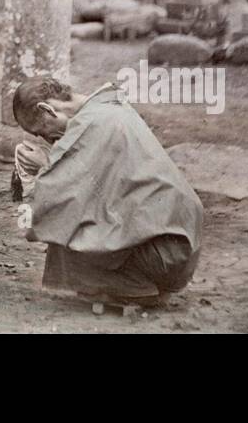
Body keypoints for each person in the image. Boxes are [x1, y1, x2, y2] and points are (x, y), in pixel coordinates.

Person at [12, 75, 203, 306]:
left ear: (47, 110)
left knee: (67, 228)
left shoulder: (91, 124)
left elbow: (59, 197)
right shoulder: (107, 106)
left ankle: (136, 289)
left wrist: (43, 167)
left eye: (40, 130)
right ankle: (145, 286)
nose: (45, 137)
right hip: (181, 247)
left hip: (164, 253)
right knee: (83, 218)